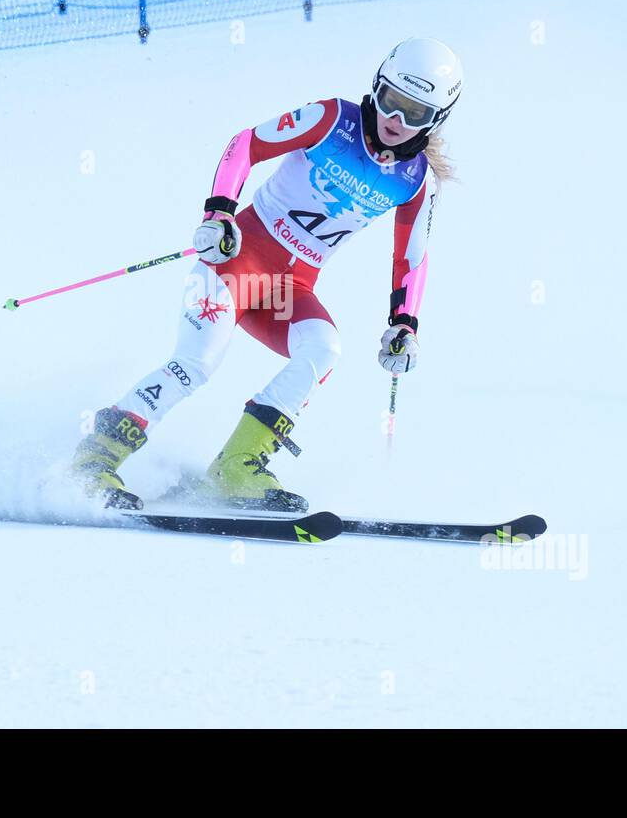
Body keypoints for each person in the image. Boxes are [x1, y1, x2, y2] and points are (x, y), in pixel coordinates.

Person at [72, 37, 461, 512]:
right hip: (236, 264)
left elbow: (412, 257)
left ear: (436, 119)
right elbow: (245, 145)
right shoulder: (332, 119)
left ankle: (237, 466)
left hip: (289, 290)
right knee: (196, 365)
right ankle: (95, 457)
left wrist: (404, 324)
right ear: (377, 88)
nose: (395, 120)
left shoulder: (416, 180)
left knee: (323, 349)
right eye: (390, 101)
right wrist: (219, 214)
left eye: (415, 114)